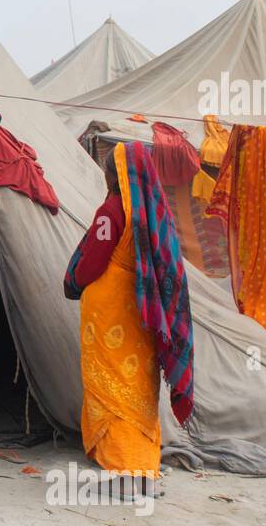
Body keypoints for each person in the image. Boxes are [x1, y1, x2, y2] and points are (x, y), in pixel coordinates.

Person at [63, 143, 194, 498]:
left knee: (111, 384)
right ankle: (142, 465)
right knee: (139, 383)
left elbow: (93, 261)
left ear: (114, 175)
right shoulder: (152, 214)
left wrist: (74, 280)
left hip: (110, 310)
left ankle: (124, 472)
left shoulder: (111, 211)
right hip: (141, 311)